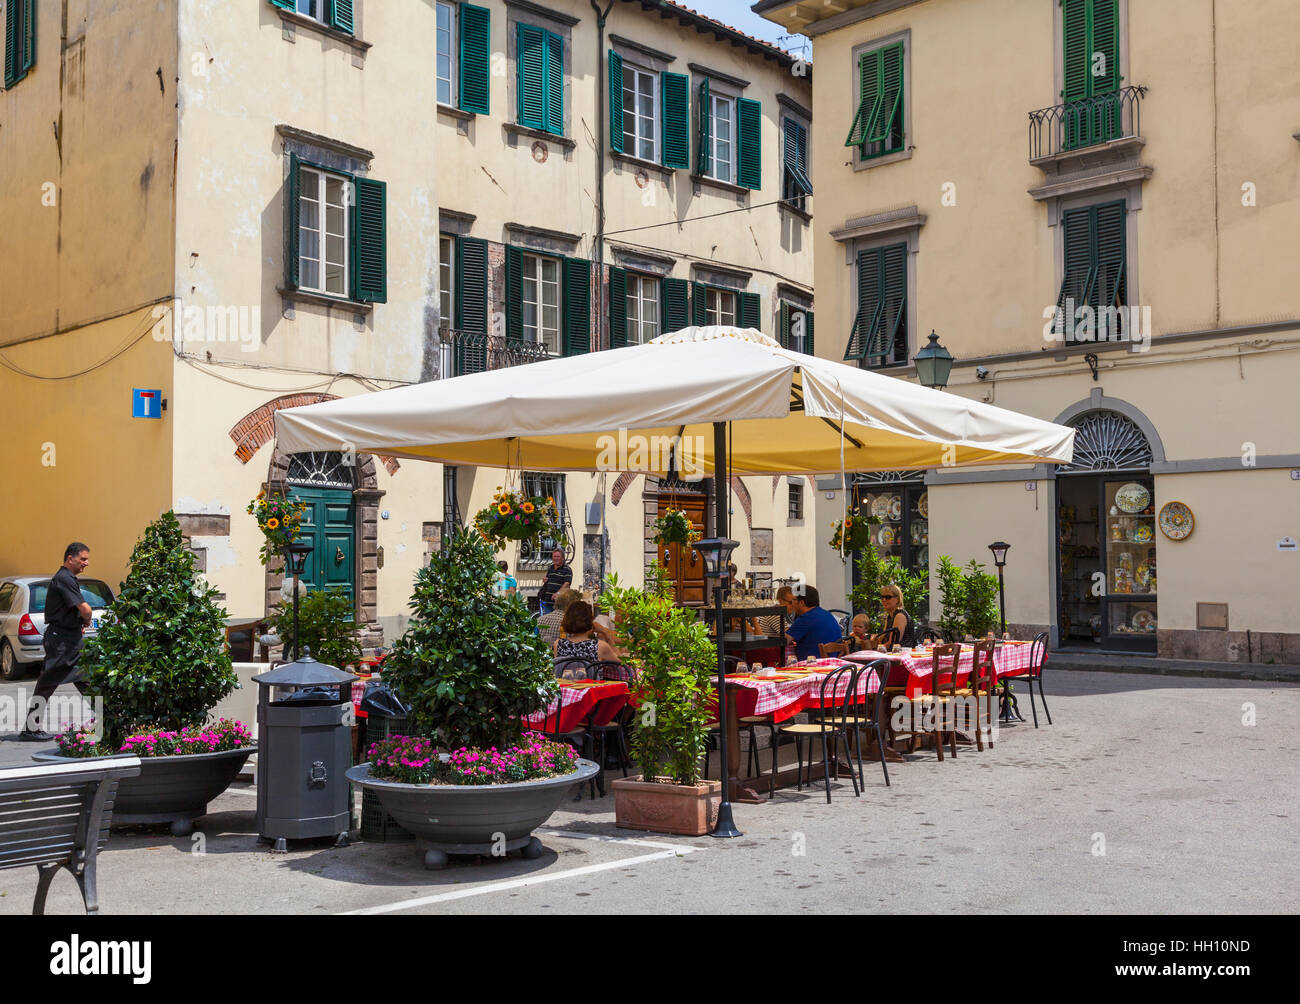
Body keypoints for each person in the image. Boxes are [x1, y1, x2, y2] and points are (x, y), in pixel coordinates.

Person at [21, 543, 95, 741]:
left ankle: (110, 719)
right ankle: (30, 729)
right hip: (62, 641)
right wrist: (86, 619)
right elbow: (85, 609)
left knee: (86, 679)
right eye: (83, 559)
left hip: (68, 639)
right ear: (70, 559)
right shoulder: (64, 578)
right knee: (48, 683)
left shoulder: (67, 578)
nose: (86, 563)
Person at [554, 600, 620, 673]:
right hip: (592, 684)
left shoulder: (558, 644)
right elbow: (622, 663)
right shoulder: (599, 646)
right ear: (590, 621)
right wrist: (606, 634)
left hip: (566, 684)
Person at [784, 585, 842, 661]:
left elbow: (785, 641)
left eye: (793, 600)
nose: (792, 604)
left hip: (813, 664)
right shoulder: (826, 614)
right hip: (833, 664)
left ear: (801, 602)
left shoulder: (806, 618)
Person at [872, 583, 918, 649]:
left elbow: (893, 643)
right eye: (882, 597)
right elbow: (882, 638)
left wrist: (874, 648)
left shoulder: (900, 616)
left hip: (904, 653)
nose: (884, 600)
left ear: (897, 599)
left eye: (888, 597)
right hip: (893, 653)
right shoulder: (890, 616)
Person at [537, 549, 572, 616]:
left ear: (563, 558)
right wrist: (545, 580)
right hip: (548, 601)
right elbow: (548, 580)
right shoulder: (551, 568)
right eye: (554, 556)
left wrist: (558, 593)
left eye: (558, 556)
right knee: (548, 622)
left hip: (559, 603)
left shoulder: (567, 569)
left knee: (558, 621)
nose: (556, 558)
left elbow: (567, 584)